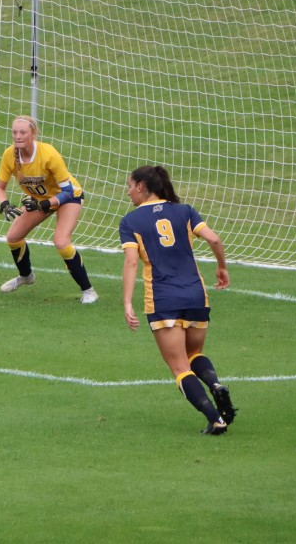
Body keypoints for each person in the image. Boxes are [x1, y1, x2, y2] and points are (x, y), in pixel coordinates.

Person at [120, 165, 236, 435]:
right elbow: (215, 239)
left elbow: (131, 261)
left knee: (179, 367)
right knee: (194, 353)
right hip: (196, 295)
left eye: (129, 186)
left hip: (163, 300)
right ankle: (216, 384)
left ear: (141, 187)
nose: (128, 192)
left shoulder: (131, 222)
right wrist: (222, 267)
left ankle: (215, 418)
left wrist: (127, 302)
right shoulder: (185, 211)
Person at [0, 115, 97, 304]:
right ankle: (26, 276)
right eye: (14, 132)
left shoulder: (48, 153)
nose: (17, 136)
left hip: (68, 197)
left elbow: (67, 191)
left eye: (23, 132)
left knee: (61, 241)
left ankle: (88, 290)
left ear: (33, 134)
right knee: (13, 237)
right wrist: (4, 204)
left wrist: (44, 204)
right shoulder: (9, 155)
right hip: (40, 200)